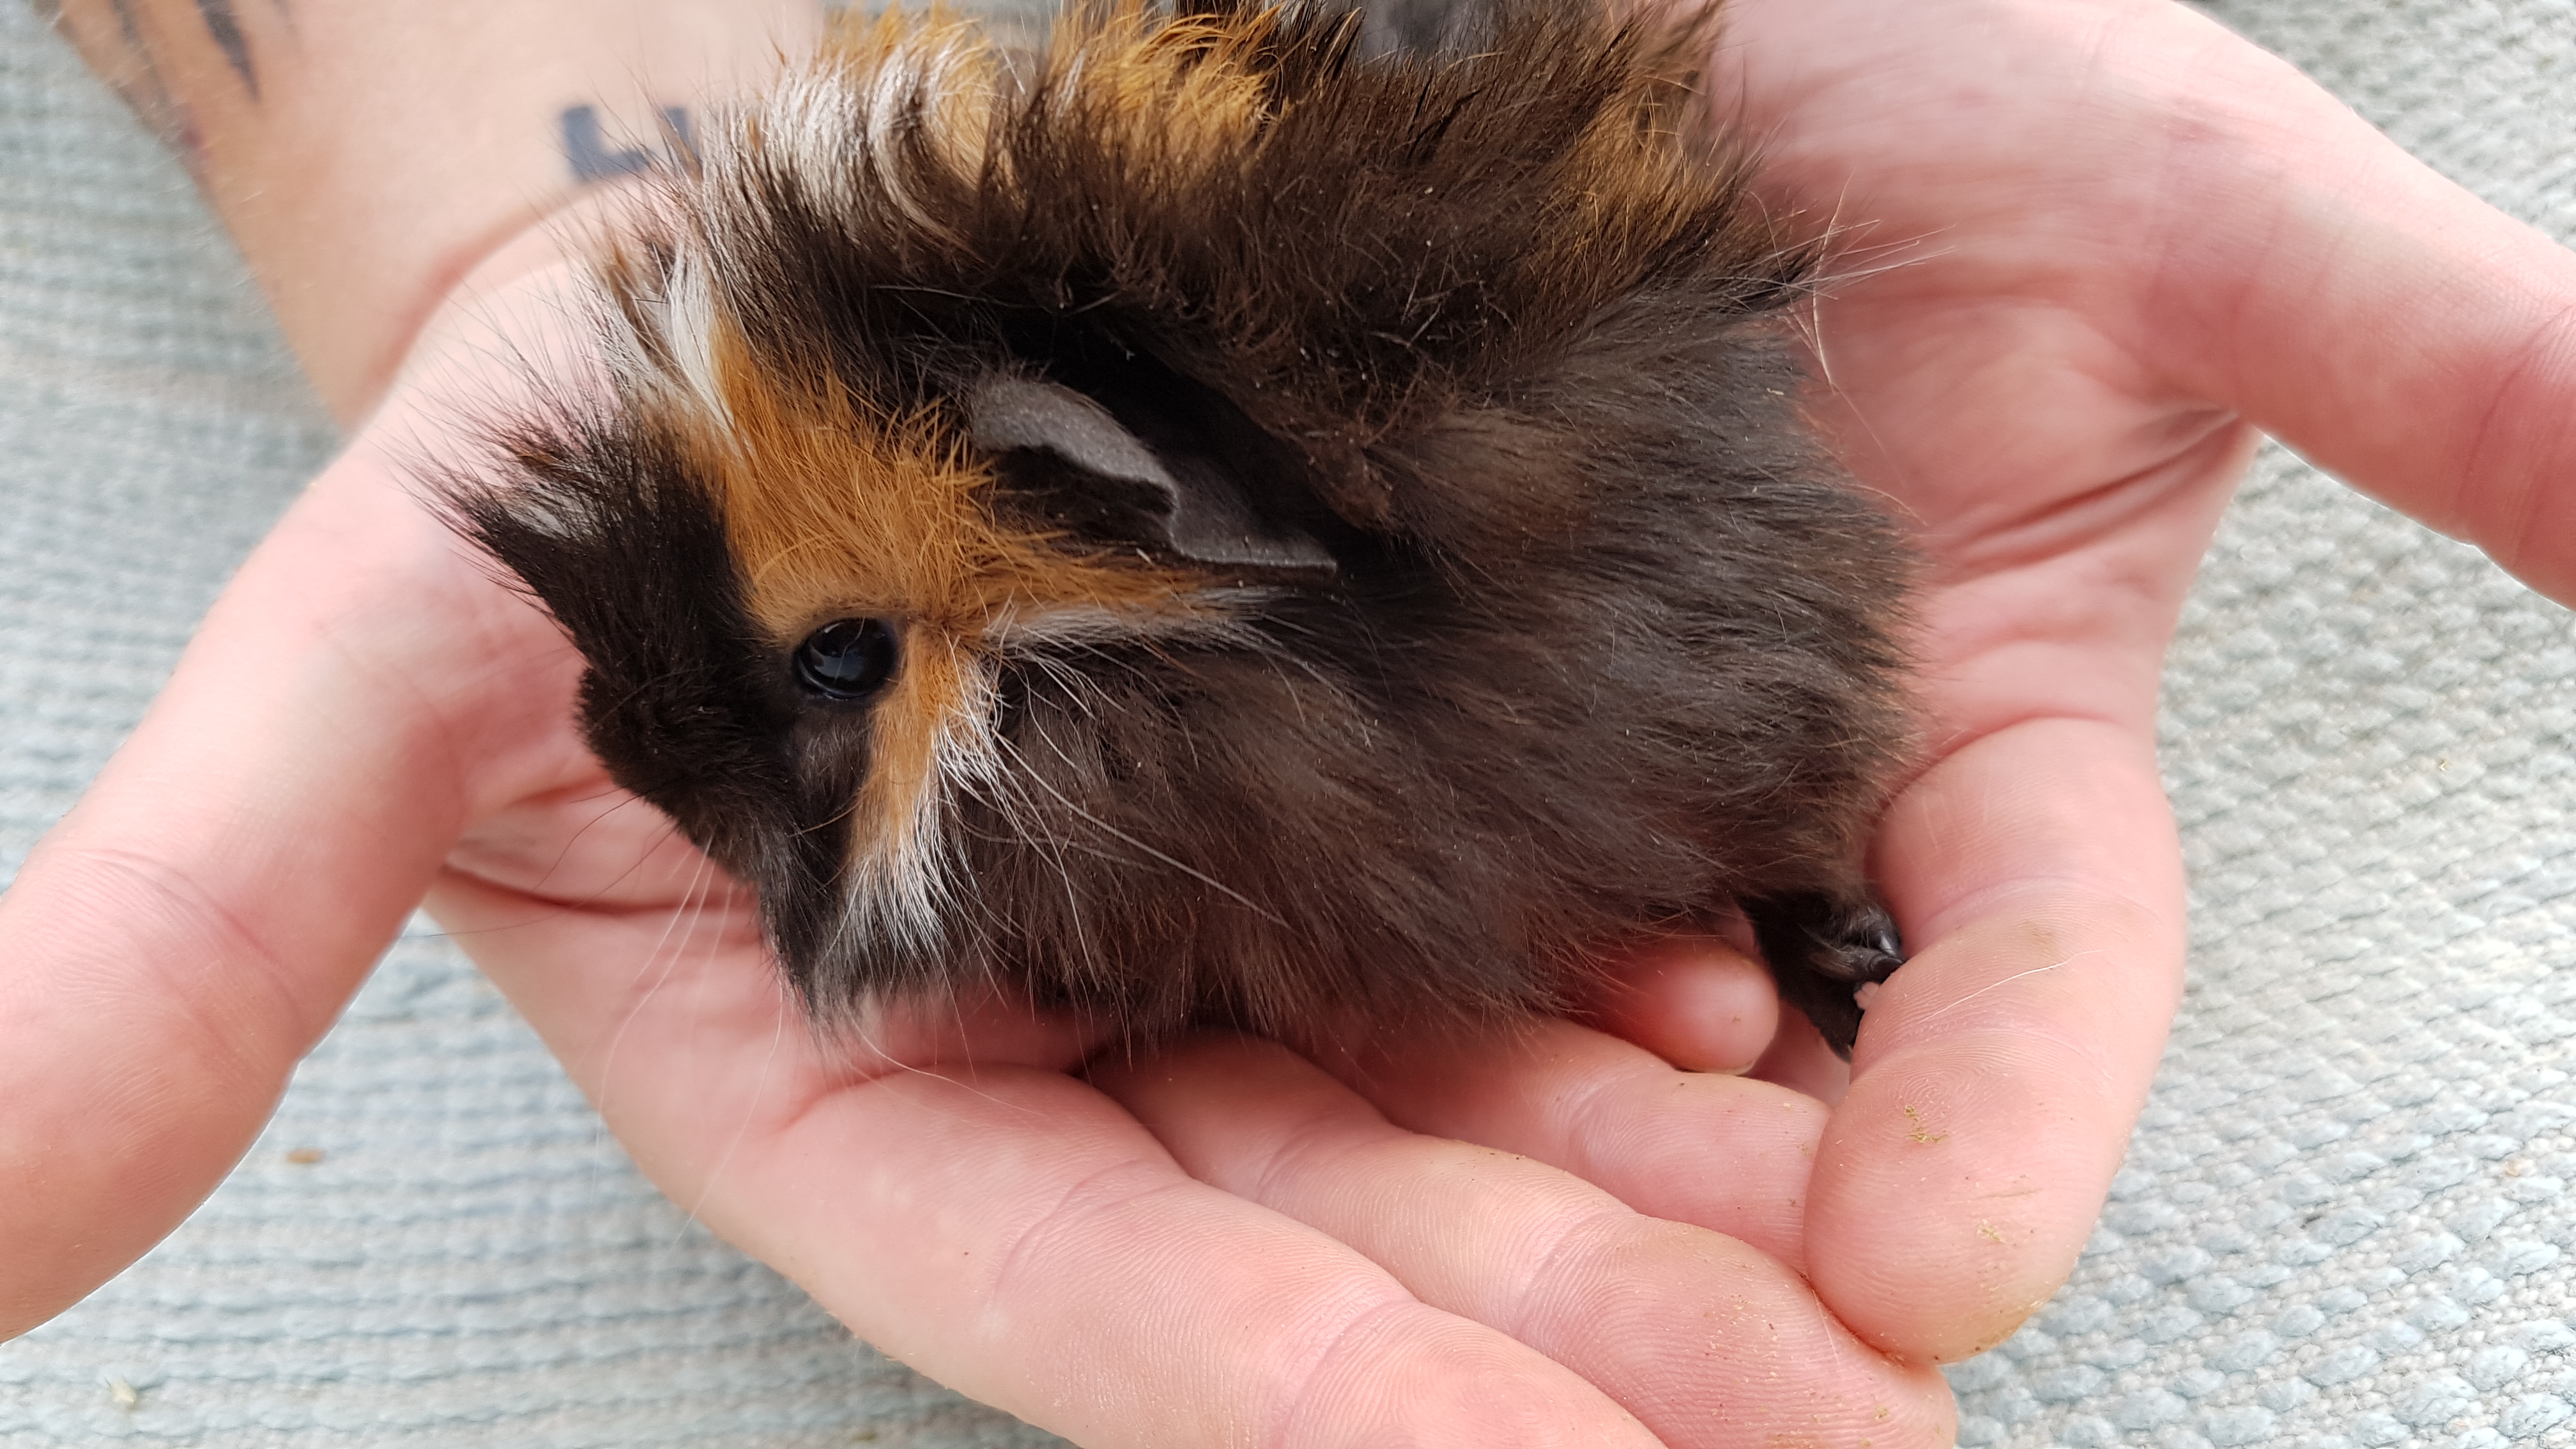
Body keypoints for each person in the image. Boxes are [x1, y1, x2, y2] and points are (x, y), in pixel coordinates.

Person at [6, 0, 2572, 1442]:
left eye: (839, 661)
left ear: (1136, 545)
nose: (646, 738)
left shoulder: (1533, 613)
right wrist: (489, 205)